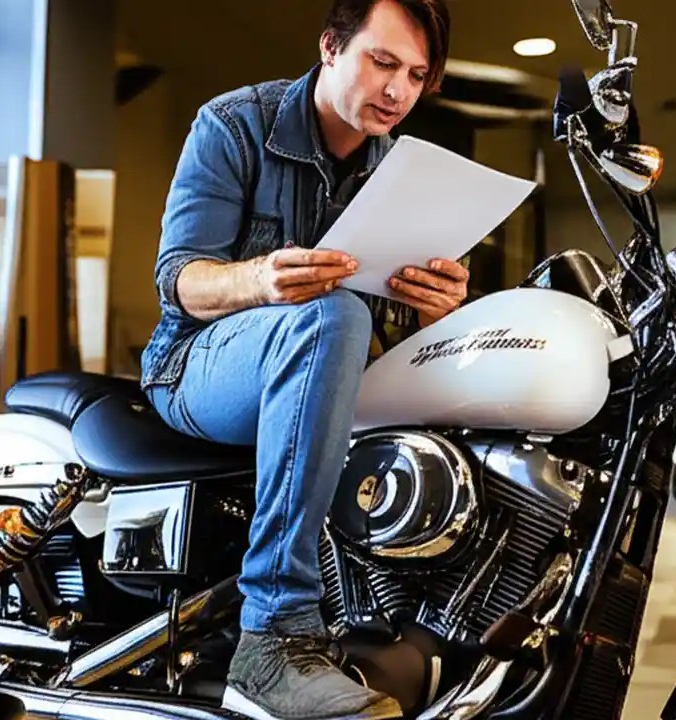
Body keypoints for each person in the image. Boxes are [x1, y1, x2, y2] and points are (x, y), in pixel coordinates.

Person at [139, 1, 460, 717]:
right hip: (193, 365)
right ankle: (273, 639)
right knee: (331, 314)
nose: (398, 91)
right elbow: (180, 280)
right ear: (329, 46)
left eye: (415, 76)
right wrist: (260, 280)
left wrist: (438, 306)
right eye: (383, 62)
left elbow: (388, 330)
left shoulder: (399, 175)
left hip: (315, 372)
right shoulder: (233, 124)